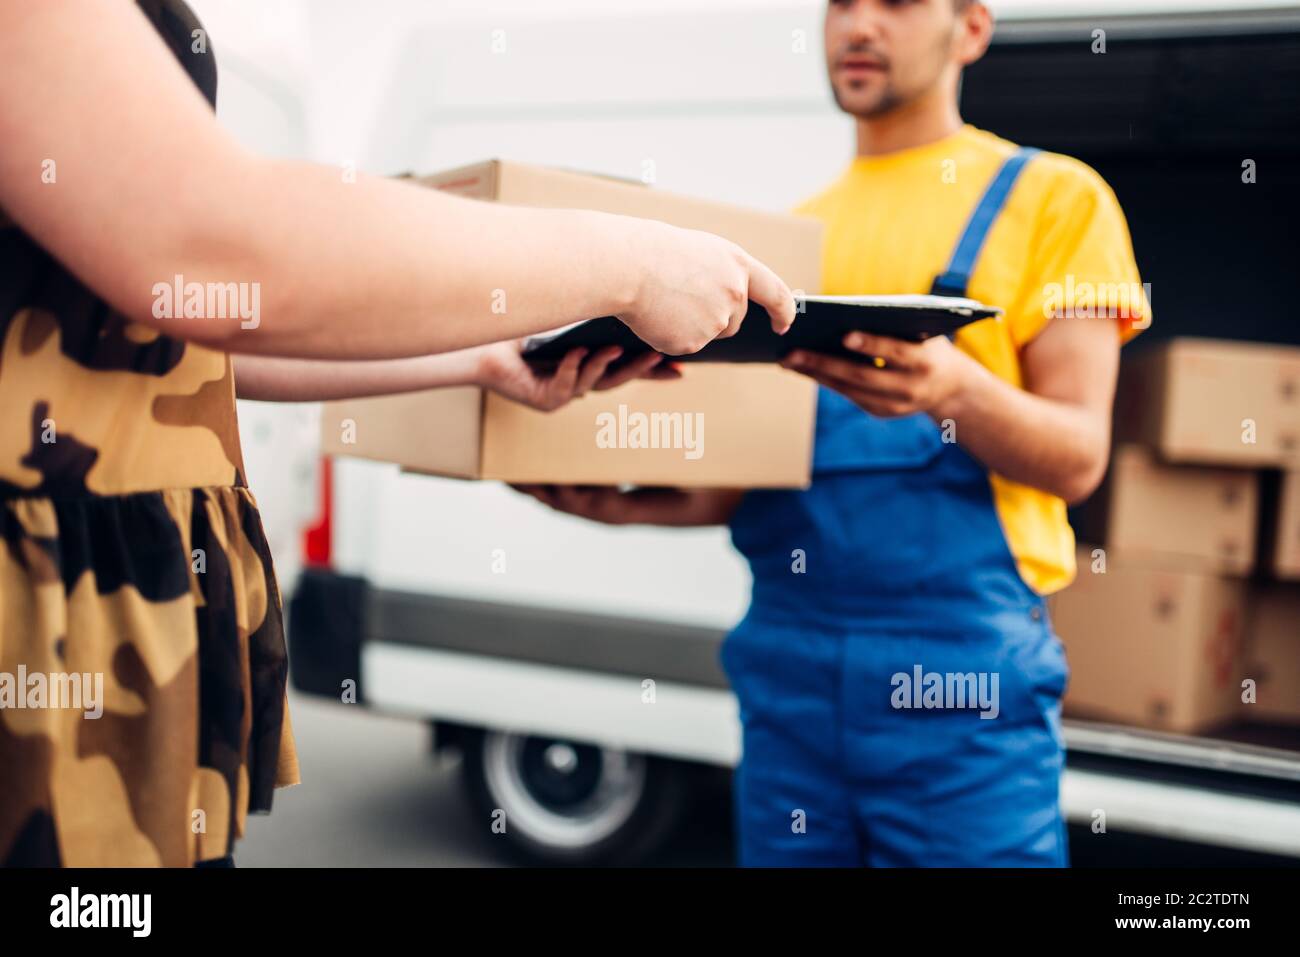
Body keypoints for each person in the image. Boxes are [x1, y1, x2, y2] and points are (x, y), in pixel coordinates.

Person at [0, 0, 796, 867]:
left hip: (106, 607)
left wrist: (485, 359)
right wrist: (633, 263)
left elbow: (196, 334)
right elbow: (214, 243)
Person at [516, 0, 1149, 866]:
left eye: (896, 3)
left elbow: (1078, 456)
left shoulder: (1057, 201)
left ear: (970, 28)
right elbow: (778, 471)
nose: (860, 24)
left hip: (956, 681)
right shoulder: (788, 236)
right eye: (843, 2)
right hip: (788, 672)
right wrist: (631, 508)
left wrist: (952, 387)